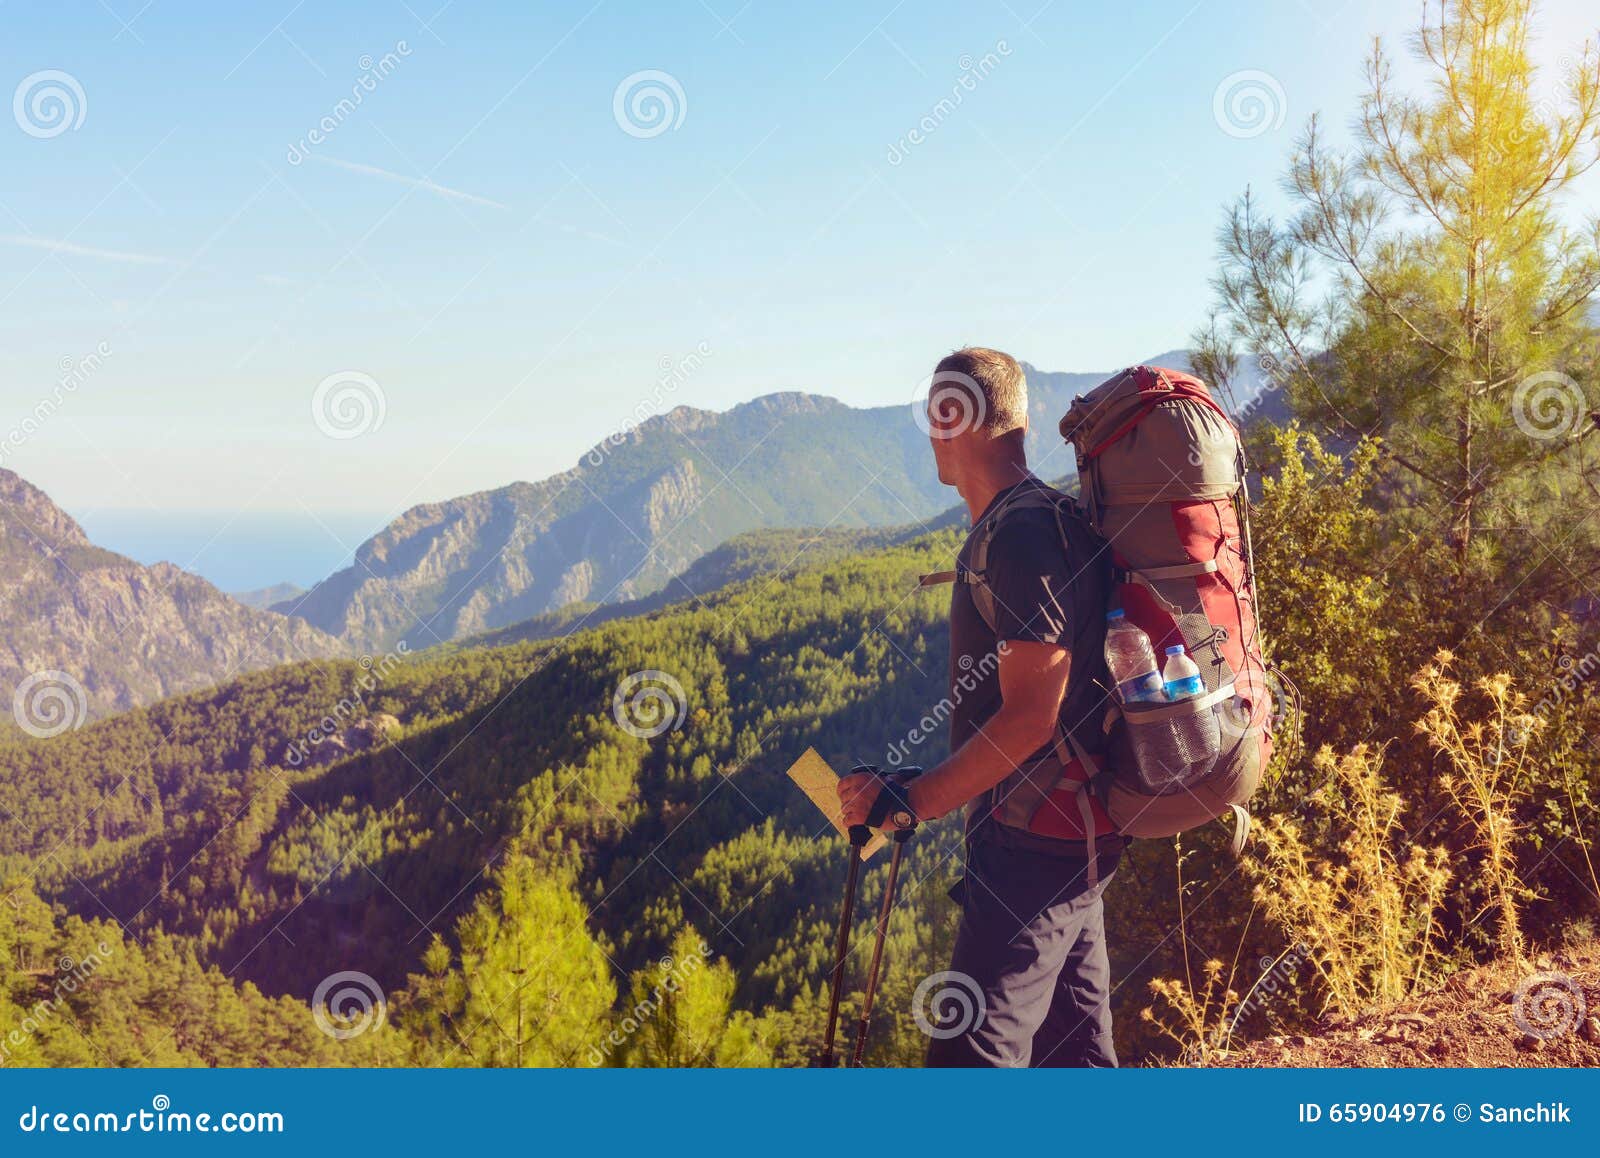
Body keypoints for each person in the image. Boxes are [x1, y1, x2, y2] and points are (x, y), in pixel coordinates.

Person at [838, 347, 1120, 1067]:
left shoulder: (1020, 535)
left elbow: (1032, 716)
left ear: (952, 417)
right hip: (1070, 833)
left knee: (970, 1063)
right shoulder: (1038, 519)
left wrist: (915, 802)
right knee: (1075, 1063)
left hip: (1032, 845)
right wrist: (912, 783)